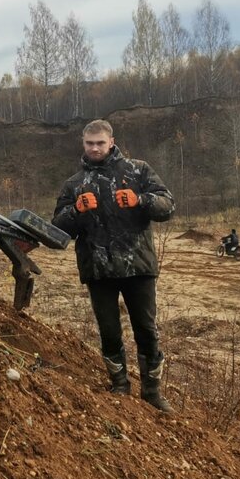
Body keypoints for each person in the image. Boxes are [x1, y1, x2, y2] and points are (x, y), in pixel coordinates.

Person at [52, 119, 176, 412]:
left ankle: (152, 393)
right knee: (109, 331)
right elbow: (58, 228)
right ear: (83, 144)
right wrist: (76, 210)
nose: (94, 148)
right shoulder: (74, 184)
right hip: (98, 270)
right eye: (89, 143)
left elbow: (168, 206)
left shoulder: (138, 171)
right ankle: (119, 386)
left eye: (100, 143)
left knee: (146, 329)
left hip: (139, 268)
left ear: (111, 142)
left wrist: (140, 199)